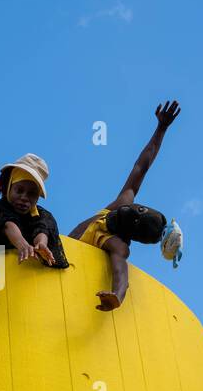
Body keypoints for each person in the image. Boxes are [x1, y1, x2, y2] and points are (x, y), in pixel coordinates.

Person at [68, 99, 182, 311]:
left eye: (136, 222)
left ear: (132, 234)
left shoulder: (117, 244)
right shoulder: (122, 202)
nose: (132, 213)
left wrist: (117, 296)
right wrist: (161, 128)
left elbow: (121, 273)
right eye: (140, 210)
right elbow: (142, 166)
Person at [0, 154, 69, 269]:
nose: (24, 197)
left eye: (31, 194)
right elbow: (8, 224)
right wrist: (23, 244)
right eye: (19, 190)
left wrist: (41, 244)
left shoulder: (43, 216)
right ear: (8, 187)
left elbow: (42, 228)